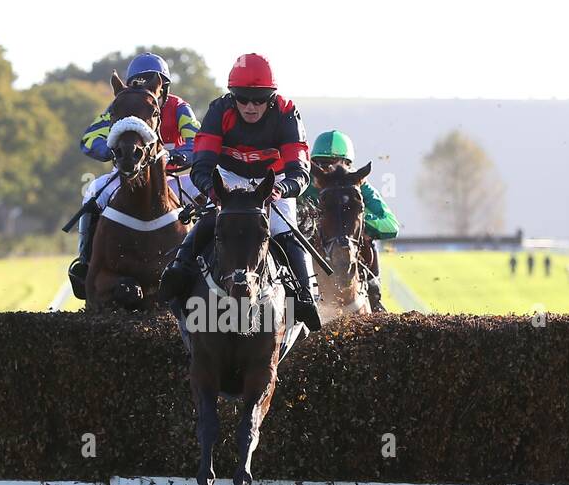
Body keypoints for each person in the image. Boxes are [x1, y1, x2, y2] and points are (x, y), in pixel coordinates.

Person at [159, 53, 321, 329]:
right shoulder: (219, 111)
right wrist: (213, 190)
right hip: (228, 179)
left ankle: (306, 298)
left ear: (271, 98)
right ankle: (177, 276)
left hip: (273, 182)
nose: (249, 106)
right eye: (242, 97)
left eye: (258, 99)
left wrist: (282, 188)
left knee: (286, 232)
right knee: (207, 224)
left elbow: (300, 172)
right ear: (232, 95)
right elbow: (201, 167)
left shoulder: (286, 114)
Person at [68, 53, 202, 298]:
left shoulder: (179, 107)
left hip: (171, 176)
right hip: (127, 174)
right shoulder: (119, 105)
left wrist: (180, 156)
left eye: (151, 83)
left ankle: (213, 263)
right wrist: (115, 151)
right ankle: (85, 260)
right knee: (93, 190)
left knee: (211, 192)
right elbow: (89, 139)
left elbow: (198, 141)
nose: (144, 90)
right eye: (137, 83)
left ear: (164, 87)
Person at [300, 130, 400, 312]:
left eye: (333, 163)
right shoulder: (303, 182)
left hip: (349, 254)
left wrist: (355, 218)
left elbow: (390, 225)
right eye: (321, 164)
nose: (328, 170)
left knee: (367, 240)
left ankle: (374, 297)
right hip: (310, 247)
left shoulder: (360, 185)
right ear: (312, 163)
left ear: (348, 165)